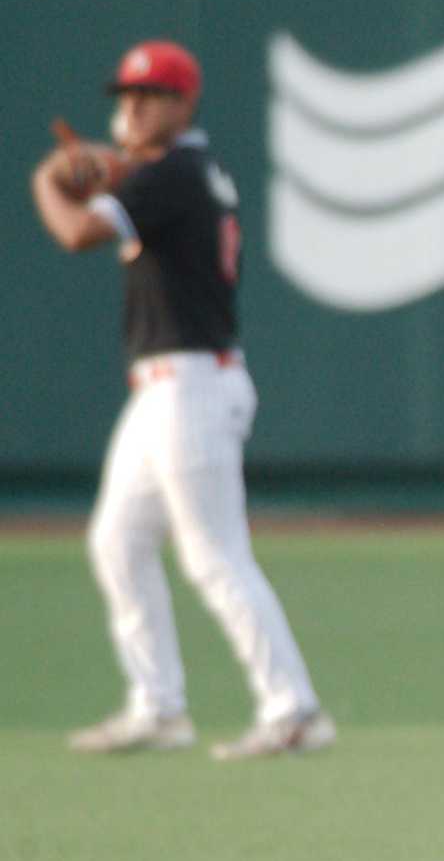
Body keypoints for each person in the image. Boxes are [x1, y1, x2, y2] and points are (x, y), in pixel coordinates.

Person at [30, 39, 336, 761]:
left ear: (185, 101)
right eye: (127, 95)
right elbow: (130, 188)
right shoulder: (185, 171)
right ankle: (158, 706)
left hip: (190, 387)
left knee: (214, 556)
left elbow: (77, 231)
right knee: (117, 541)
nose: (134, 106)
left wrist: (48, 179)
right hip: (167, 390)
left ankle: (293, 709)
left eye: (152, 94)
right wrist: (117, 167)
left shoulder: (170, 174)